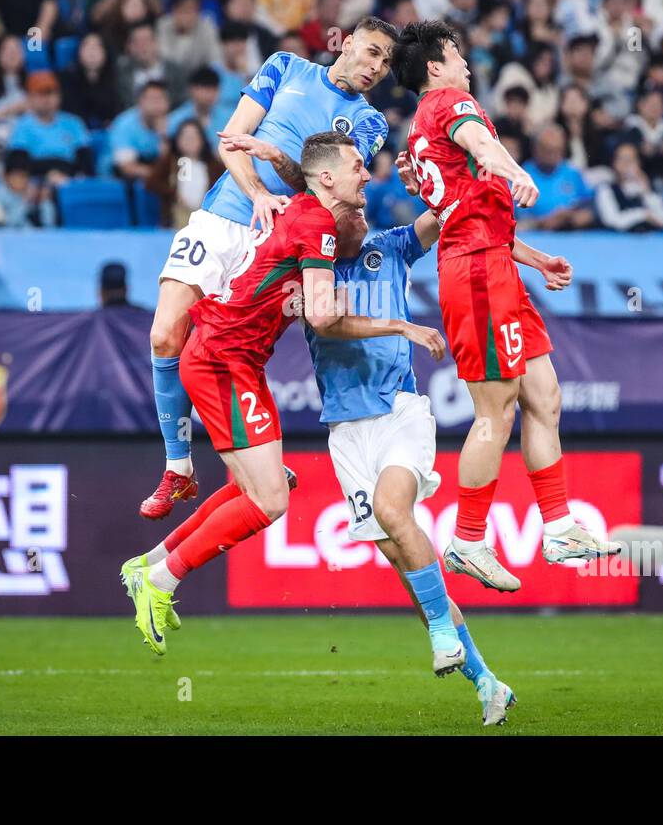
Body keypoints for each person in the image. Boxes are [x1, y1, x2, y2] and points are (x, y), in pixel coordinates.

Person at [122, 131, 446, 654]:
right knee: (269, 499)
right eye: (358, 166)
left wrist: (276, 159)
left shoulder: (302, 209)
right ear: (327, 178)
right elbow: (321, 315)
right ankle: (163, 581)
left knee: (265, 487)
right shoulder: (315, 222)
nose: (367, 175)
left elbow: (309, 264)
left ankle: (150, 565)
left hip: (236, 361)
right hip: (222, 360)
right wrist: (400, 326)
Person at [390, 20, 619, 593]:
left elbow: (473, 212)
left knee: (545, 396)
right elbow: (483, 147)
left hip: (493, 263)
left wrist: (536, 260)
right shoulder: (450, 101)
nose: (466, 63)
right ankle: (468, 539)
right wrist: (515, 169)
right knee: (497, 412)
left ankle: (561, 527)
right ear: (435, 68)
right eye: (456, 54)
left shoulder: (423, 130)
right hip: (474, 273)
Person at [140, 16, 396, 521]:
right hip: (222, 218)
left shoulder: (370, 124)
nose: (377, 67)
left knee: (233, 353)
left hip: (281, 246)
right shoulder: (285, 67)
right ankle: (179, 467)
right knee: (166, 336)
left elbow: (327, 188)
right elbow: (232, 138)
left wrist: (280, 167)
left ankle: (260, 464)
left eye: (386, 61)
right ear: (345, 44)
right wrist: (258, 192)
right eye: (370, 52)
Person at [309, 201, 515, 724]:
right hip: (345, 433)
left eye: (362, 206)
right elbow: (328, 323)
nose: (361, 210)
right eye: (351, 207)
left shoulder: (392, 247)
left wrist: (431, 179)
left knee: (394, 511)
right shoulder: (313, 266)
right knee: (405, 566)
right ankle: (487, 680)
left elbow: (443, 217)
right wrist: (401, 326)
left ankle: (444, 636)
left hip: (399, 411)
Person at [595, 141, 663, 232]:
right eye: (622, 159)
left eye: (631, 159)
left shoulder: (649, 188)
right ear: (614, 163)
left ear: (639, 163)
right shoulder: (606, 189)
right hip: (618, 241)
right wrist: (643, 215)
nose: (626, 164)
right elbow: (612, 220)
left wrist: (646, 192)